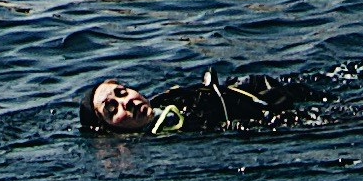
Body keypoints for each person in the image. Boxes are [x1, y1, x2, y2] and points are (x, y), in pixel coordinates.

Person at [77, 70, 312, 139]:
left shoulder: (171, 98)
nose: (126, 102)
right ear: (106, 129)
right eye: (111, 109)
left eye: (122, 92)